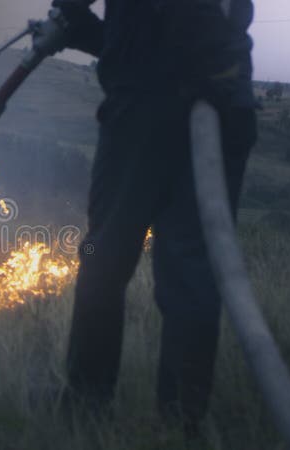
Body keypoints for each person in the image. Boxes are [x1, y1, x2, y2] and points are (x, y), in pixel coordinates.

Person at [49, 0, 259, 429]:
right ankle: (182, 422)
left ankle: (87, 405)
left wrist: (68, 22)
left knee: (104, 260)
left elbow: (104, 25)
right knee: (193, 272)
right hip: (223, 108)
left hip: (143, 112)